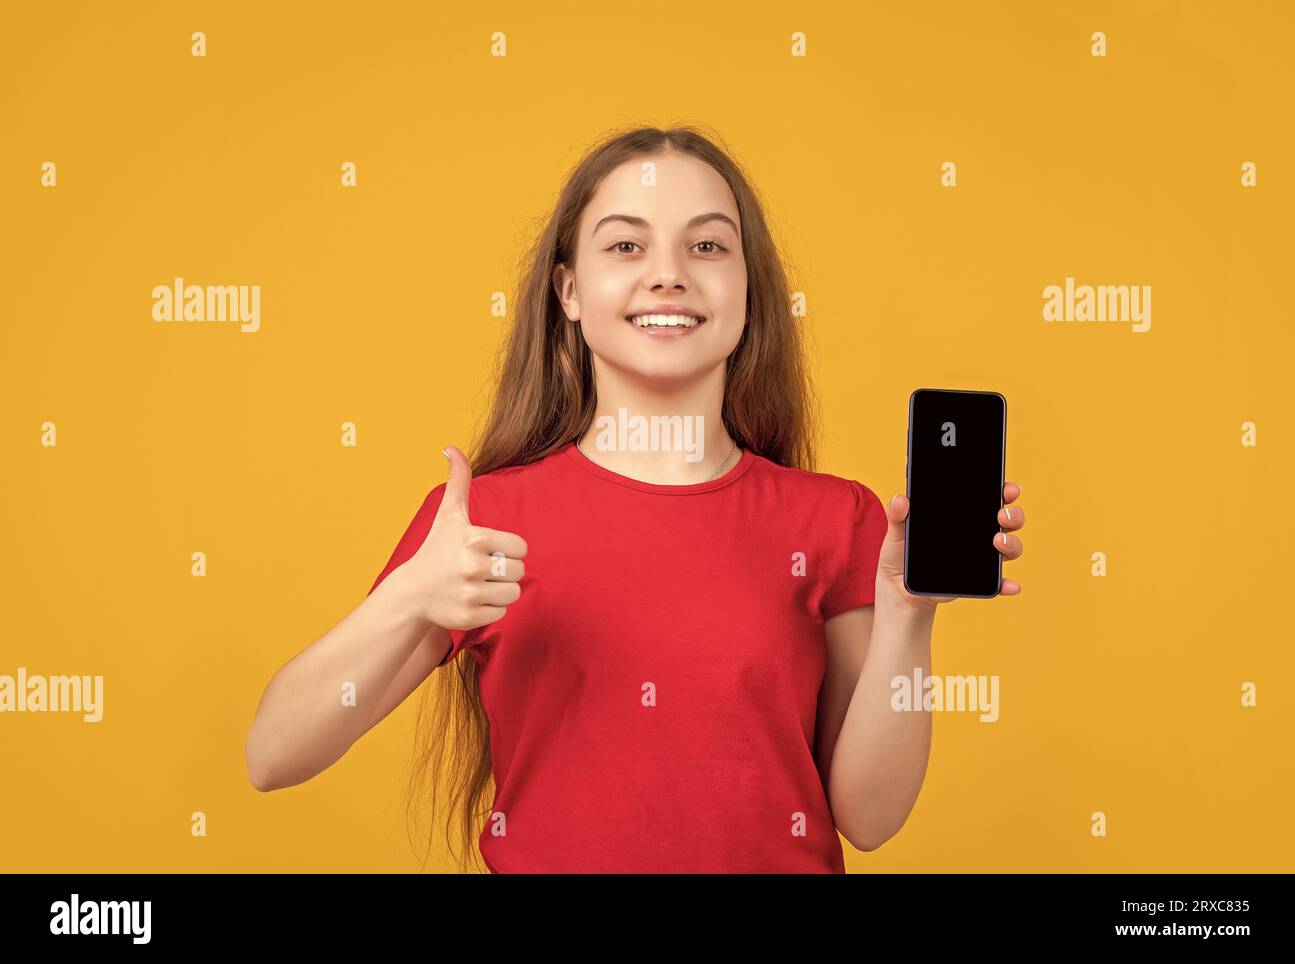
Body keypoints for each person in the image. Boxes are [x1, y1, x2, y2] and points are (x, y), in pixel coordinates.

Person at [244, 125, 1027, 873]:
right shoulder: (478, 524)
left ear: (748, 291)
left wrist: (909, 622)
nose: (669, 273)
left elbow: (870, 818)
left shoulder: (839, 520)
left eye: (708, 246)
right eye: (626, 244)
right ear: (570, 291)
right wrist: (412, 596)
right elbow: (274, 756)